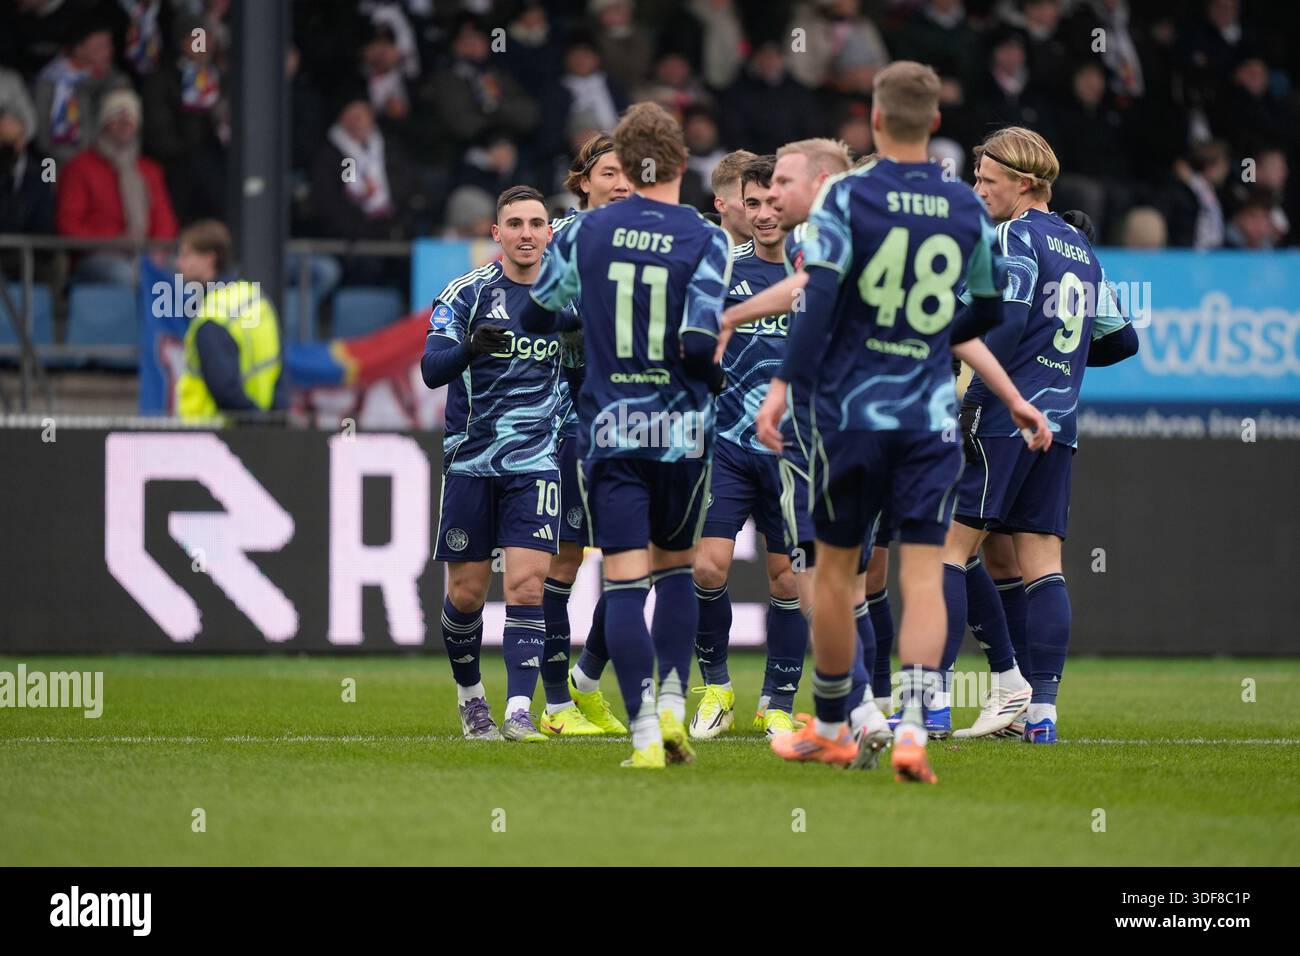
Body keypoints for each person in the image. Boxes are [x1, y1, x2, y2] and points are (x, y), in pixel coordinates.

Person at [753, 61, 1051, 782]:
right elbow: (986, 309)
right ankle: (914, 728)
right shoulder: (964, 206)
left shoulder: (848, 194)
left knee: (832, 572)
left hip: (853, 413)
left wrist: (782, 386)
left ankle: (832, 725)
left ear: (876, 121)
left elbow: (819, 299)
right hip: (930, 417)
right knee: (923, 572)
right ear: (937, 123)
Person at [522, 102, 731, 769]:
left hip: (611, 427)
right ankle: (674, 703)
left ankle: (643, 735)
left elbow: (537, 314)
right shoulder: (707, 237)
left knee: (622, 581)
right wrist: (716, 377)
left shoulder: (583, 233)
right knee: (676, 568)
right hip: (682, 430)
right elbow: (699, 342)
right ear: (678, 162)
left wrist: (596, 316)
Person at [942, 126, 1139, 743]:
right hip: (1060, 420)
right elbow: (1123, 339)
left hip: (1003, 415)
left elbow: (1006, 321)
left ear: (1026, 185)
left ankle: (929, 703)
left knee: (948, 552)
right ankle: (1041, 711)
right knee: (1042, 564)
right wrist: (1064, 365)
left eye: (987, 181)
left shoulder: (1013, 236)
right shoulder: (1080, 246)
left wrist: (979, 393)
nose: (978, 191)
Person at [421, 185, 601, 742]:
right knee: (467, 595)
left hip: (537, 462)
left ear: (551, 232)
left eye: (537, 223)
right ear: (495, 233)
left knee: (526, 586)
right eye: (515, 223)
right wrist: (471, 348)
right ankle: (472, 698)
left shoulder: (567, 305)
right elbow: (432, 369)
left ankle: (520, 710)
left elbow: (577, 380)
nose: (527, 232)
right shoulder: (466, 293)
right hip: (472, 462)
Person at [689, 155, 809, 741]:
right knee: (707, 567)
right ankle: (715, 686)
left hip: (794, 452)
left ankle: (778, 700)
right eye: (752, 203)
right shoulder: (719, 270)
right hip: (727, 446)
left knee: (788, 580)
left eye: (772, 202)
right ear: (739, 204)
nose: (764, 214)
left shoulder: (818, 271)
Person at [539, 134, 632, 736]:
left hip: (640, 422)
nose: (621, 184)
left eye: (630, 174)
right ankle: (555, 705)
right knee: (567, 558)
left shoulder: (651, 237)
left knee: (637, 562)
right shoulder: (567, 237)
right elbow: (543, 312)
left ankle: (588, 680)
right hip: (576, 421)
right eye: (609, 173)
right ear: (583, 181)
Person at [56, 87, 177, 286]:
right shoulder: (79, 167)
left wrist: (157, 251)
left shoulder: (149, 170)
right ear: (103, 123)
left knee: (183, 275)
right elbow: (68, 225)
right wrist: (116, 241)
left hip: (145, 254)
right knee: (127, 275)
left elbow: (165, 222)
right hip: (98, 257)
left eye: (130, 118)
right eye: (116, 117)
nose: (124, 123)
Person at [174, 220, 285, 423]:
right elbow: (278, 367)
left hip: (212, 438)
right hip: (262, 431)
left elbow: (225, 390)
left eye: (186, 255)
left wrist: (257, 423)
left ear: (209, 259)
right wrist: (269, 424)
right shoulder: (255, 298)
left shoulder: (213, 317)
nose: (178, 263)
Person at [709, 149, 757, 246]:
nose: (763, 213)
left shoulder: (790, 250)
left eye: (769, 201)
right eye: (751, 202)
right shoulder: (694, 254)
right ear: (721, 205)